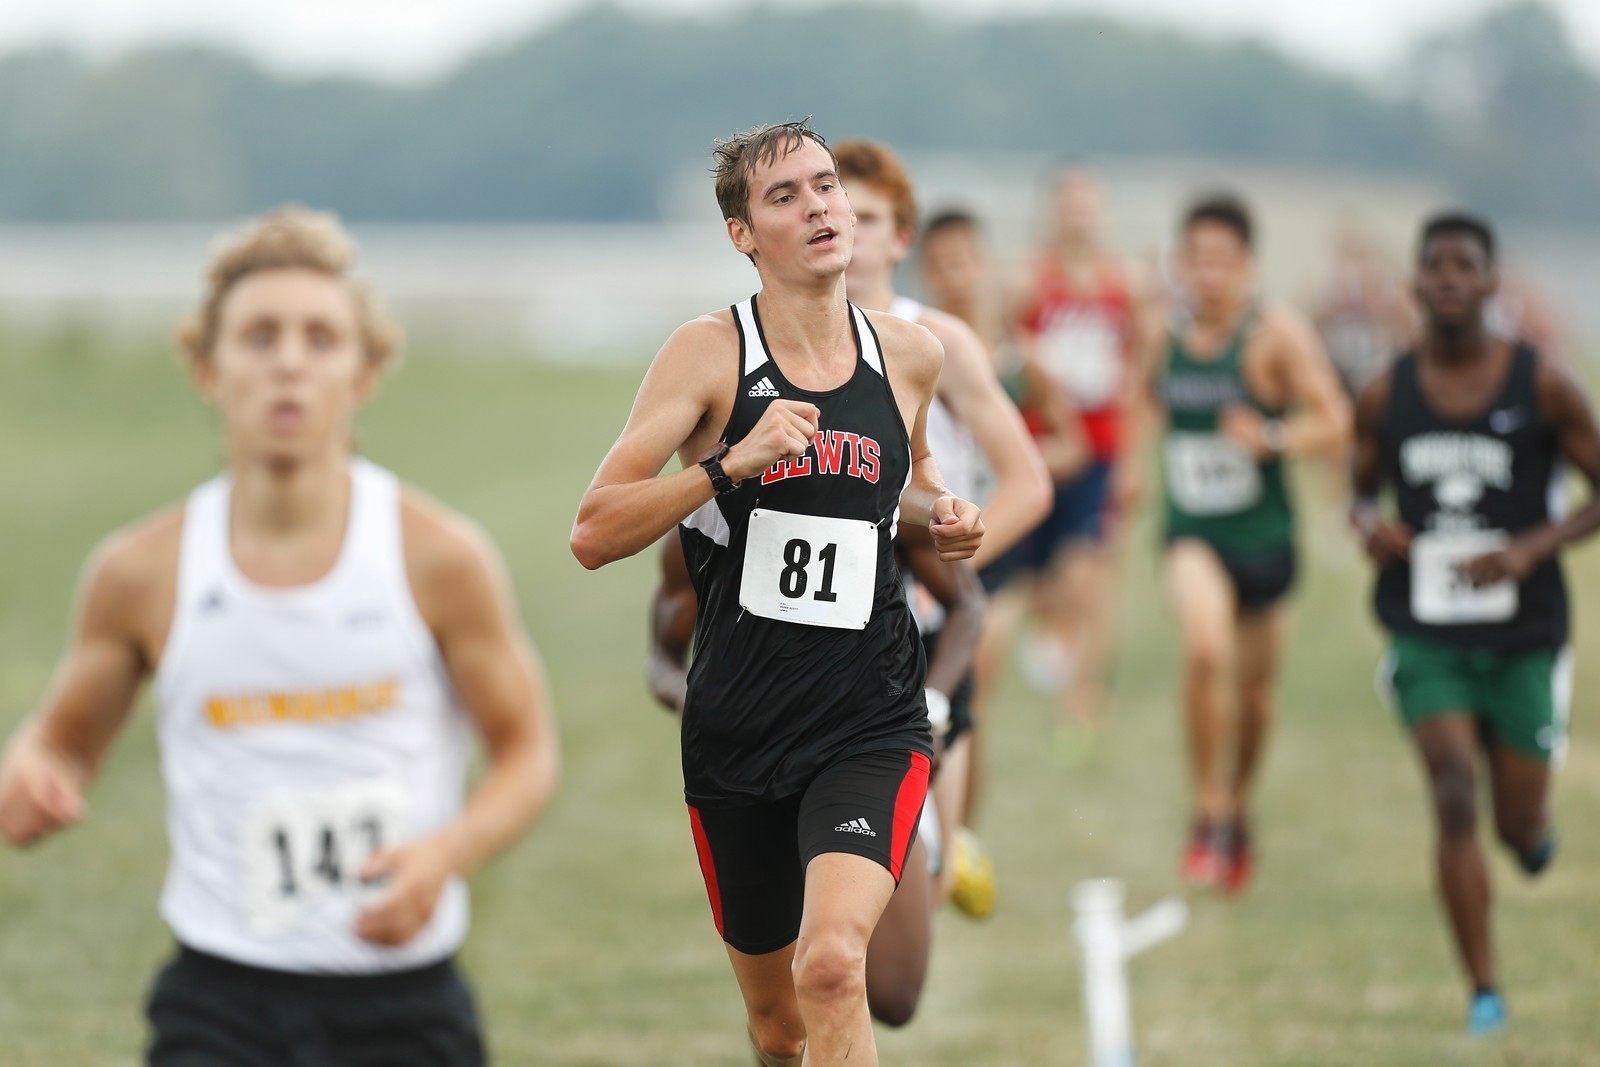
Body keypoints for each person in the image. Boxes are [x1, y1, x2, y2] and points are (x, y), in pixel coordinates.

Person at [0, 207, 560, 1066]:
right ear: (206, 367)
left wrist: (446, 854)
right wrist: (33, 770)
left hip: (404, 1000)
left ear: (364, 370)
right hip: (219, 998)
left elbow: (527, 752)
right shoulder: (140, 571)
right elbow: (64, 740)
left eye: (320, 338)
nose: (289, 360)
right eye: (259, 336)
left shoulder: (438, 556)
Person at [570, 121, 983, 1067]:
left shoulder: (908, 355)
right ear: (742, 235)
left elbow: (900, 489)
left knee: (834, 966)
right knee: (777, 1028)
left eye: (827, 186)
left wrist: (947, 515)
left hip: (869, 719)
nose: (819, 208)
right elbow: (594, 530)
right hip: (739, 730)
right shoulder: (708, 354)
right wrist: (729, 466)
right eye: (785, 196)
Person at [1351, 212, 1600, 1035]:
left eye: (1466, 265)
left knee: (1515, 823)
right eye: (1435, 265)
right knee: (1454, 791)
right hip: (1427, 630)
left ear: (1492, 283)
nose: (1450, 278)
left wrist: (1533, 546)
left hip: (1524, 629)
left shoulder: (1543, 384)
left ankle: (1531, 838)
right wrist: (1372, 528)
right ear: (1416, 284)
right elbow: (1357, 493)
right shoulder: (1388, 391)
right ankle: (1484, 988)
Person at [646, 521, 981, 1028]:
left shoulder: (878, 486)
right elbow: (662, 656)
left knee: (892, 994)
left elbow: (968, 603)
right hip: (751, 765)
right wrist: (701, 702)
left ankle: (942, 848)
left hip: (867, 745)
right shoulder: (708, 515)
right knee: (785, 1021)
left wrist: (931, 707)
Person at [834, 138, 1051, 918]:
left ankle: (948, 847)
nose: (846, 232)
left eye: (867, 217)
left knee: (914, 858)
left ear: (901, 238)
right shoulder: (780, 339)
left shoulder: (941, 341)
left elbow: (1028, 480)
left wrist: (960, 554)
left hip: (924, 615)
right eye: (832, 212)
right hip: (822, 618)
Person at [1144, 193, 1349, 894]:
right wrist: (1123, 480)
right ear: (1179, 263)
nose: (1208, 275)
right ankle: (1209, 809)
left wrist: (1272, 437)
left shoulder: (1274, 337)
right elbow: (1140, 399)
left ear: (1247, 266)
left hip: (1264, 540)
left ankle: (1239, 803)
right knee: (1206, 650)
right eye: (1196, 259)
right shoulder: (1161, 334)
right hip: (1192, 533)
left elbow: (1335, 420)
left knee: (1257, 696)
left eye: (1222, 261)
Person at [986, 166, 1140, 766]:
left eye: (1088, 205)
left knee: (1091, 580)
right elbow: (1000, 364)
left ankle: (1080, 707)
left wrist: (1129, 459)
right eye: (1069, 205)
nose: (1079, 216)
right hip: (1037, 453)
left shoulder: (1122, 286)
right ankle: (1039, 641)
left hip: (1098, 456)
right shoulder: (1029, 281)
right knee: (1038, 582)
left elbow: (1136, 375)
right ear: (1052, 212)